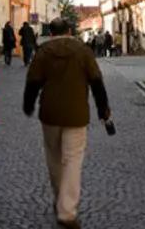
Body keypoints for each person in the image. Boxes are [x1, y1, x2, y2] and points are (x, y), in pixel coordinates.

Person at [23, 18, 111, 229]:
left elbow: (33, 81)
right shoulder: (83, 51)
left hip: (50, 114)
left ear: (51, 33)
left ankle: (59, 199)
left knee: (54, 159)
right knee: (72, 161)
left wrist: (28, 105)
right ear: (70, 31)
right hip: (76, 114)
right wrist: (103, 110)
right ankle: (67, 211)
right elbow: (97, 82)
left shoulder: (43, 52)